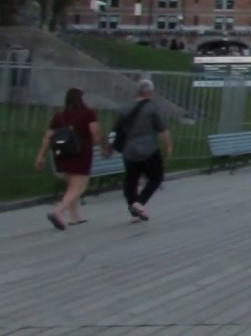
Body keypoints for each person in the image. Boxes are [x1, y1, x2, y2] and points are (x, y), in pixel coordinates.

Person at [35, 88, 101, 230]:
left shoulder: (59, 116)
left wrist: (41, 155)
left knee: (71, 187)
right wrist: (99, 143)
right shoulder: (88, 114)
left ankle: (75, 218)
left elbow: (48, 136)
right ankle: (57, 211)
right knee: (79, 187)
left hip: (63, 154)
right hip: (81, 154)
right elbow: (95, 132)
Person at [106, 79, 172, 221]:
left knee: (131, 178)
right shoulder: (152, 108)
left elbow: (116, 129)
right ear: (150, 92)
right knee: (156, 177)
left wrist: (110, 147)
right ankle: (139, 202)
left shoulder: (124, 108)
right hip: (149, 150)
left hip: (129, 150)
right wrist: (168, 147)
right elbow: (163, 131)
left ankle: (132, 203)